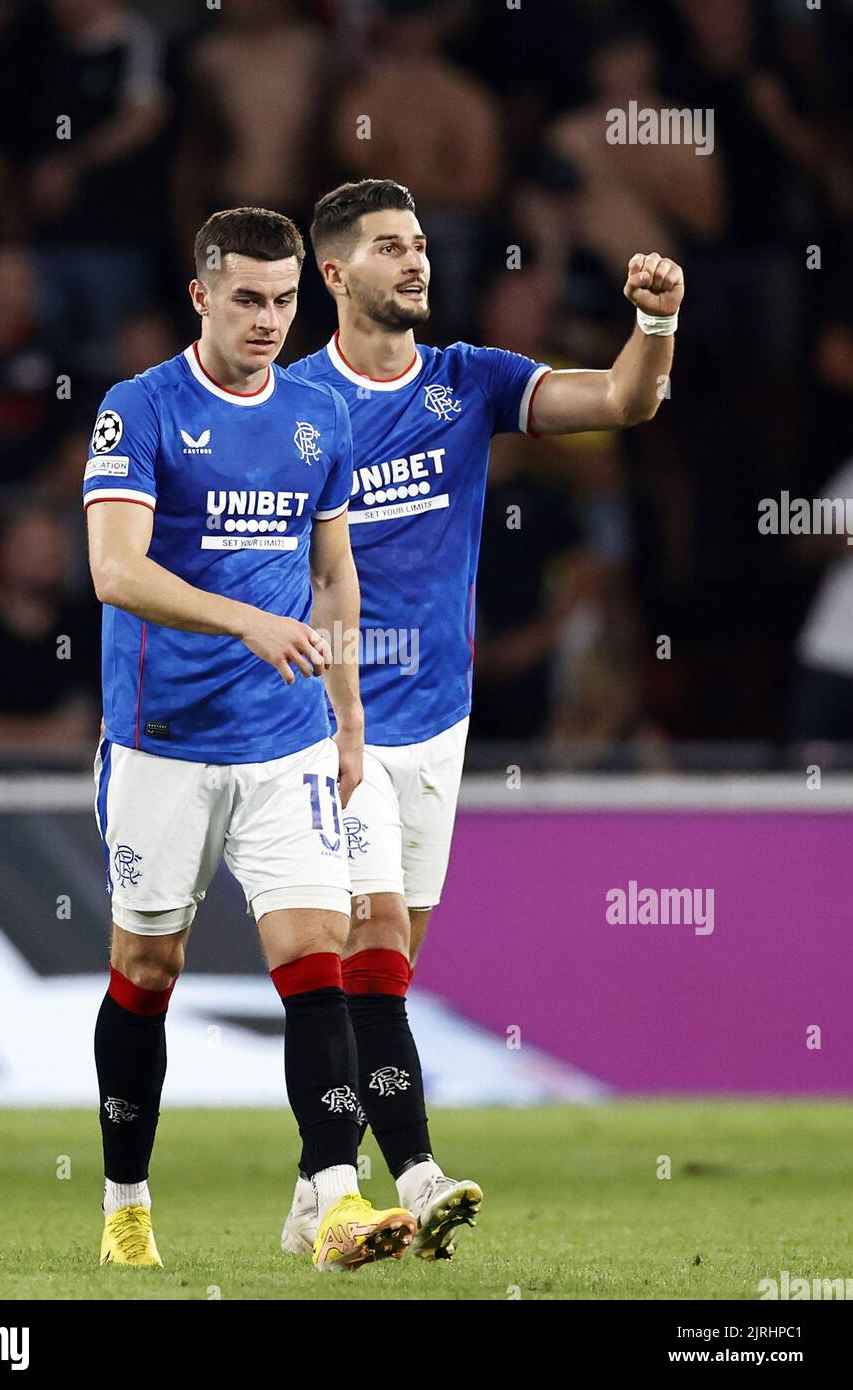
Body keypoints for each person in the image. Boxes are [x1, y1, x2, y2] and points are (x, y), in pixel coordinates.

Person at [281, 178, 683, 1260]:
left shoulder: (470, 382)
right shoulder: (289, 405)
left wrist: (656, 323)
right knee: (364, 950)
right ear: (333, 275)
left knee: (392, 964)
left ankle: (318, 1184)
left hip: (440, 723)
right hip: (329, 721)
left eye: (418, 244)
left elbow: (624, 403)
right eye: (387, 248)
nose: (415, 261)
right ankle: (414, 1170)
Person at [85, 206, 417, 1272]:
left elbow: (334, 576)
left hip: (285, 744)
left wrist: (350, 721)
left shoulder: (320, 416)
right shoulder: (138, 409)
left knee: (316, 962)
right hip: (163, 739)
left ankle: (335, 1201)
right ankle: (125, 1199)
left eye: (284, 300)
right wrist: (244, 620)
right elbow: (114, 571)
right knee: (147, 966)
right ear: (202, 295)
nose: (269, 320)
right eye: (247, 300)